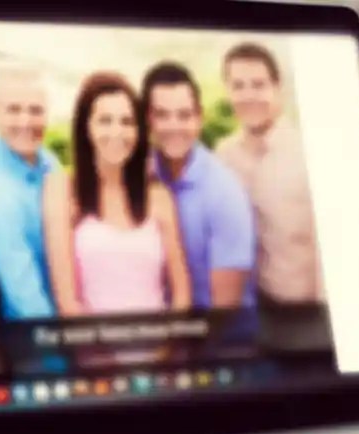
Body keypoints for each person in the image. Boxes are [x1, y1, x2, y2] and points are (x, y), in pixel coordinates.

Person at [43, 72, 191, 316]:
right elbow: (68, 303)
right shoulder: (61, 189)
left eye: (126, 122)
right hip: (94, 346)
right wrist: (105, 352)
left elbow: (182, 295)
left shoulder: (158, 196)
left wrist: (165, 350)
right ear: (86, 127)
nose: (117, 132)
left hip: (160, 345)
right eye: (105, 120)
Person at [141, 62, 257, 310]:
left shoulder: (225, 193)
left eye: (184, 115)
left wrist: (177, 349)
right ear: (148, 119)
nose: (173, 126)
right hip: (165, 327)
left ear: (199, 117)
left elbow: (224, 308)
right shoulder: (145, 175)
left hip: (221, 338)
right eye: (162, 115)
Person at [216, 42, 322, 304]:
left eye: (258, 84)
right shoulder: (225, 154)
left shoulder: (308, 154)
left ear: (278, 88)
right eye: (238, 86)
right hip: (248, 304)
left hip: (302, 306)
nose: (248, 95)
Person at [0, 65, 59, 320]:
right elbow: (27, 302)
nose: (26, 122)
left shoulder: (46, 161)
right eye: (14, 109)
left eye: (36, 110)